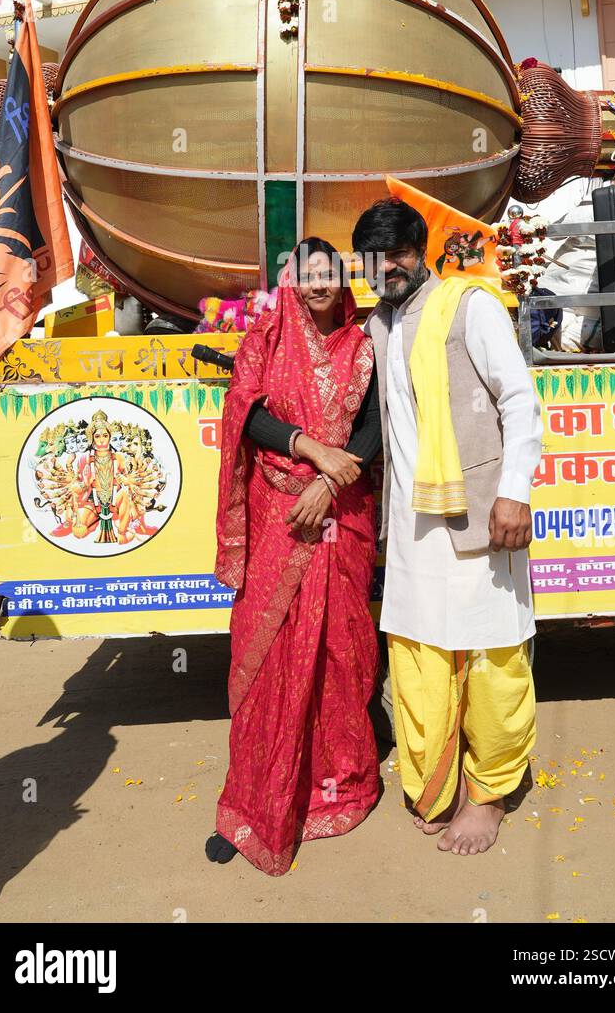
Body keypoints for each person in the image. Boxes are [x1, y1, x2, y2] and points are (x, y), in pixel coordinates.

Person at [351, 198, 542, 857]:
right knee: (418, 659)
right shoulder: (379, 323)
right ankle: (434, 787)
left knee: (492, 655)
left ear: (421, 249)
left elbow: (518, 400)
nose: (388, 272)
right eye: (376, 264)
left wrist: (513, 494)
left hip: (480, 514)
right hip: (411, 528)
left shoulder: (471, 305)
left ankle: (486, 793)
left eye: (397, 257)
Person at [207, 238, 382, 875]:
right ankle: (251, 804)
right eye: (306, 275)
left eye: (328, 274)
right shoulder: (264, 342)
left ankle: (337, 787)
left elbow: (373, 427)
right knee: (266, 650)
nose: (317, 285)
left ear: (343, 281)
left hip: (339, 512)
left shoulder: (364, 347)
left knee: (338, 649)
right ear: (291, 282)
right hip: (277, 518)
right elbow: (245, 415)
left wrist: (330, 481)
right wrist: (311, 450)